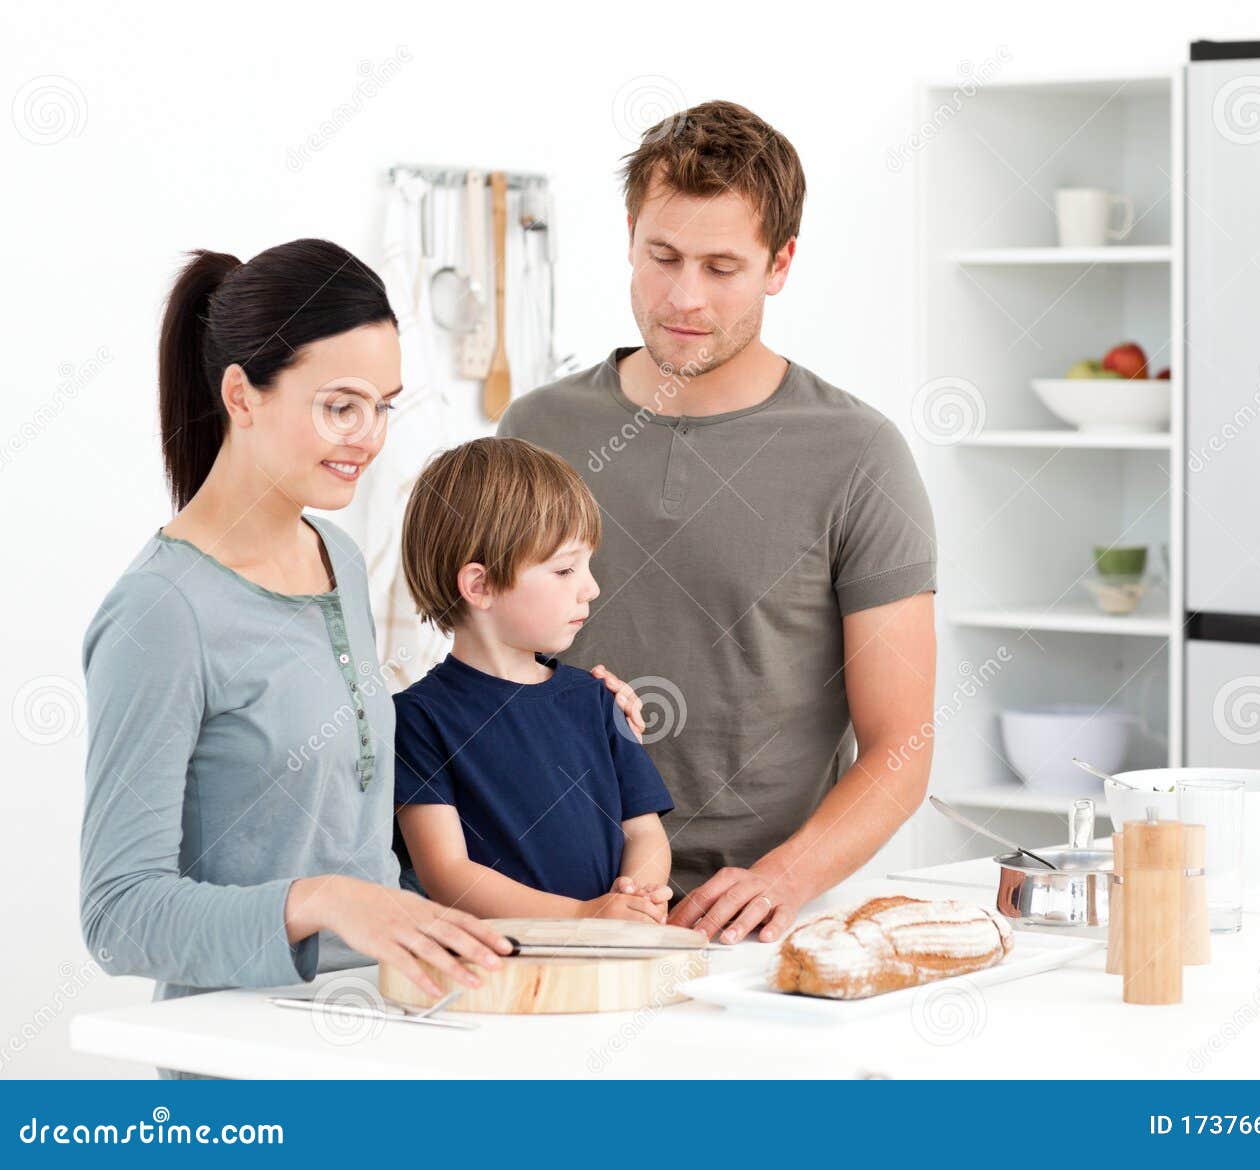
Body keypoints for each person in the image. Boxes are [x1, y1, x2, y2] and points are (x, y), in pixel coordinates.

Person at [498, 101, 938, 946]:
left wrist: (785, 877)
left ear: (780, 264)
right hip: (547, 913)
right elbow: (482, 671)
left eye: (721, 266)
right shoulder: (536, 431)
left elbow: (900, 746)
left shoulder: (860, 456)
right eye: (662, 256)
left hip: (754, 929)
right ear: (630, 236)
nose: (684, 297)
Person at [79, 240, 515, 1068]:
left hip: (379, 1046)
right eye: (340, 406)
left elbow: (350, 808)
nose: (369, 437)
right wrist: (322, 903)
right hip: (247, 1074)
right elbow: (118, 916)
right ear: (241, 394)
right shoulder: (161, 613)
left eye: (383, 406)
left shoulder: (338, 558)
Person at [391, 438, 674, 923]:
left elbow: (645, 832)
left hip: (612, 958)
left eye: (587, 565)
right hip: (500, 970)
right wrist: (583, 918)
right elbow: (447, 874)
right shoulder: (417, 719)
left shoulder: (598, 699)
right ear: (479, 586)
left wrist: (636, 901)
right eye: (565, 569)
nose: (592, 587)